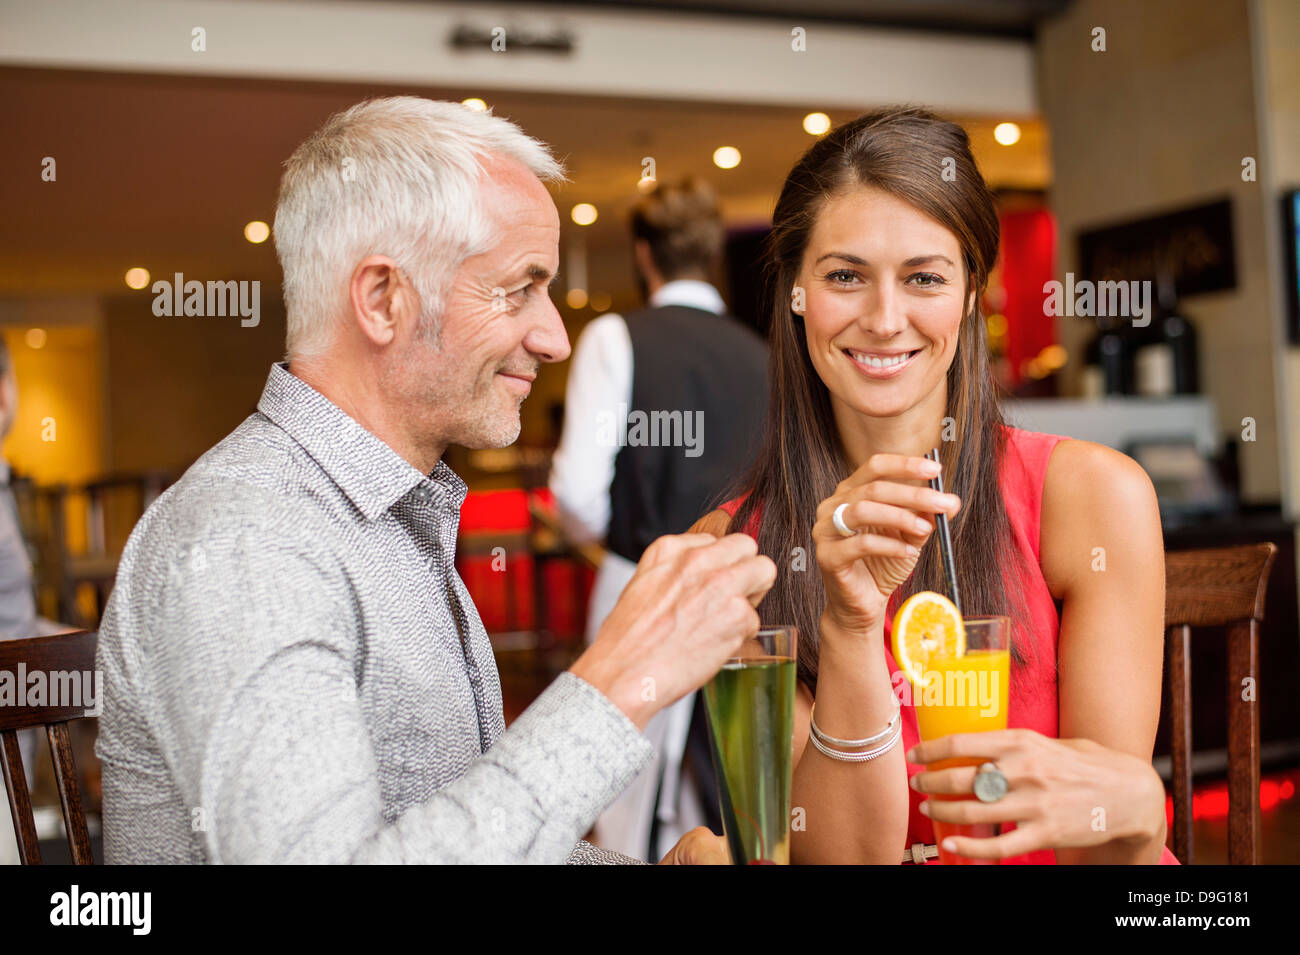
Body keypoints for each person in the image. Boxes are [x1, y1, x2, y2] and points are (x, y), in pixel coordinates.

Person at [93, 97, 776, 865]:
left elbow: (442, 837)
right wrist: (621, 678)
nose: (554, 338)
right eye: (520, 287)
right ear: (384, 299)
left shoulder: (390, 517)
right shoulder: (245, 542)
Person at [692, 106, 1177, 864]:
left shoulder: (1091, 498)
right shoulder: (727, 555)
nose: (886, 319)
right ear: (794, 291)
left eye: (924, 277)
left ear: (971, 292)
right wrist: (851, 624)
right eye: (845, 276)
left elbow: (1111, 844)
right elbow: (839, 857)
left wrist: (1141, 806)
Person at [549, 177, 767, 861]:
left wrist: (599, 544)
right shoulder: (763, 355)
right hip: (748, 602)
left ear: (644, 253)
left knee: (625, 801)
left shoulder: (616, 337)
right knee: (737, 800)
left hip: (639, 589)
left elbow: (578, 494)